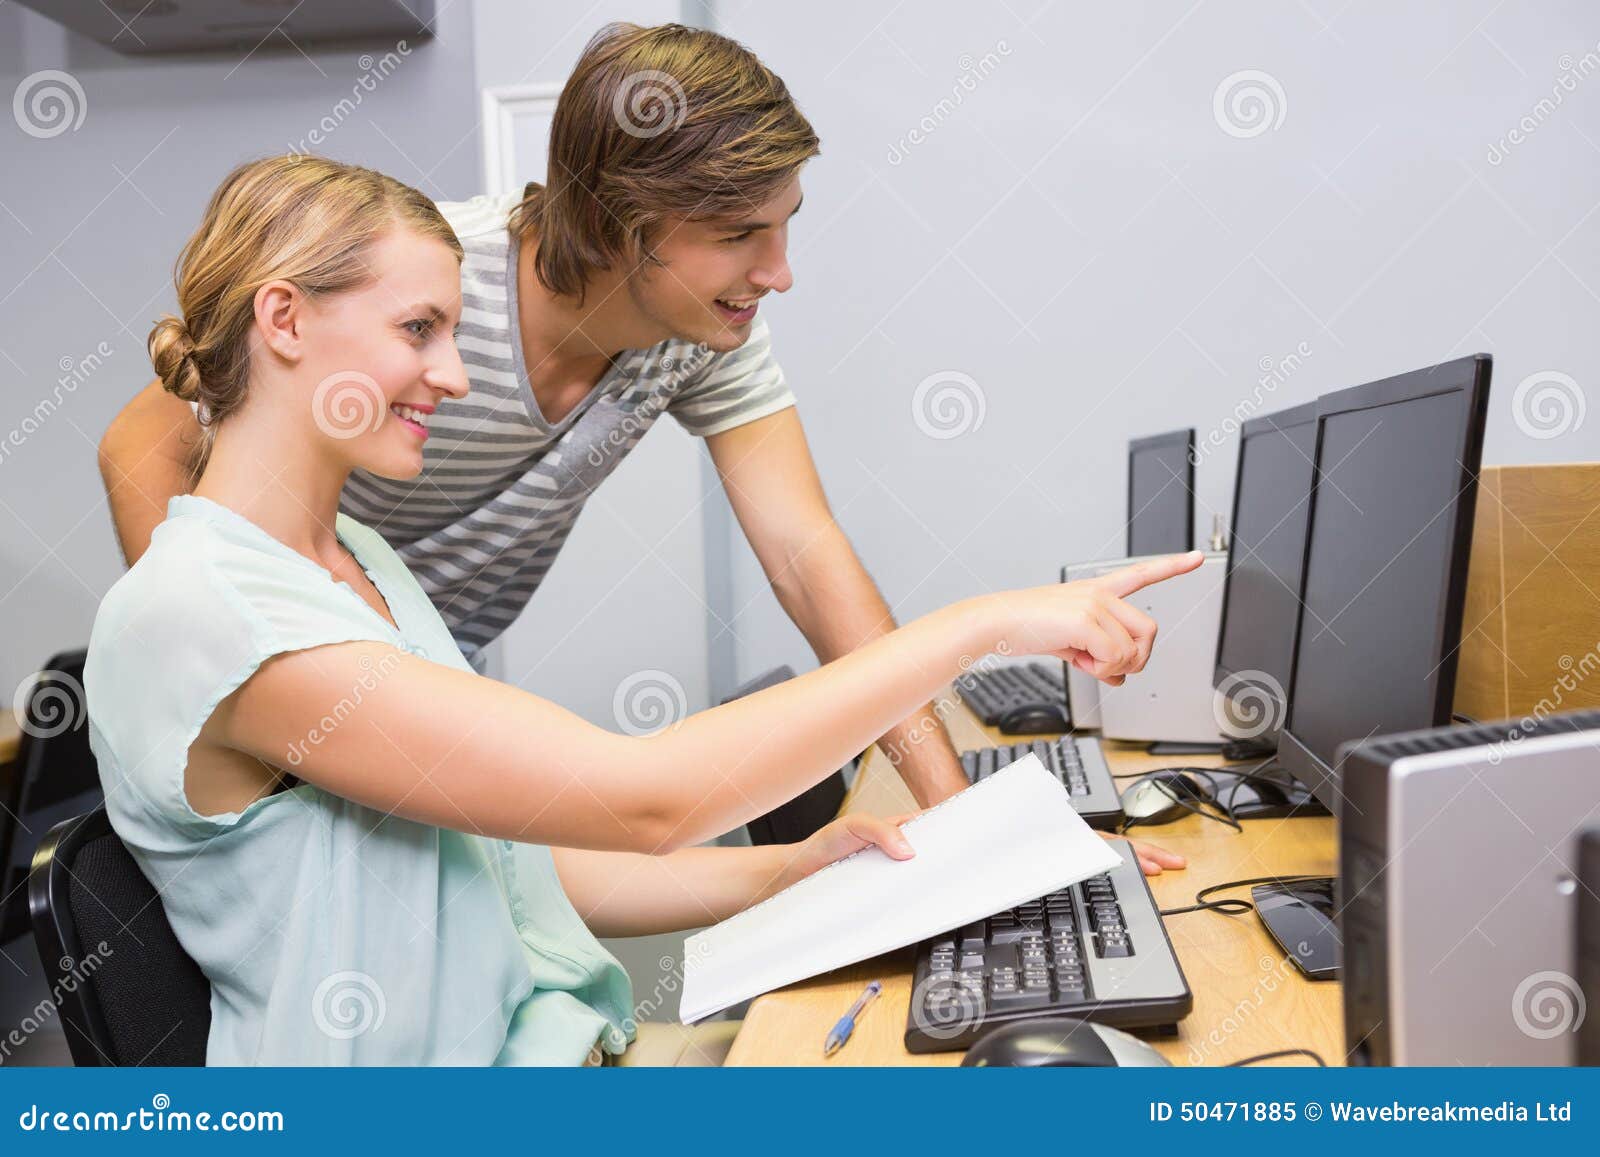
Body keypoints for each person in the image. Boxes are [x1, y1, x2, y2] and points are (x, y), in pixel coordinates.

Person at [85, 155, 1197, 1066]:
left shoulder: (356, 556)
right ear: (283, 319)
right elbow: (643, 799)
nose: (455, 375)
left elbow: (520, 867)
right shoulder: (208, 611)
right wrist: (979, 624)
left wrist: (792, 868)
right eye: (418, 329)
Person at [98, 21, 984, 809]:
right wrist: (225, 665)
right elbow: (137, 444)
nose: (778, 272)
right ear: (615, 227)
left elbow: (806, 555)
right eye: (735, 235)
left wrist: (957, 818)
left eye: (783, 224)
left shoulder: (703, 333)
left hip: (432, 680)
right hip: (298, 686)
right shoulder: (425, 284)